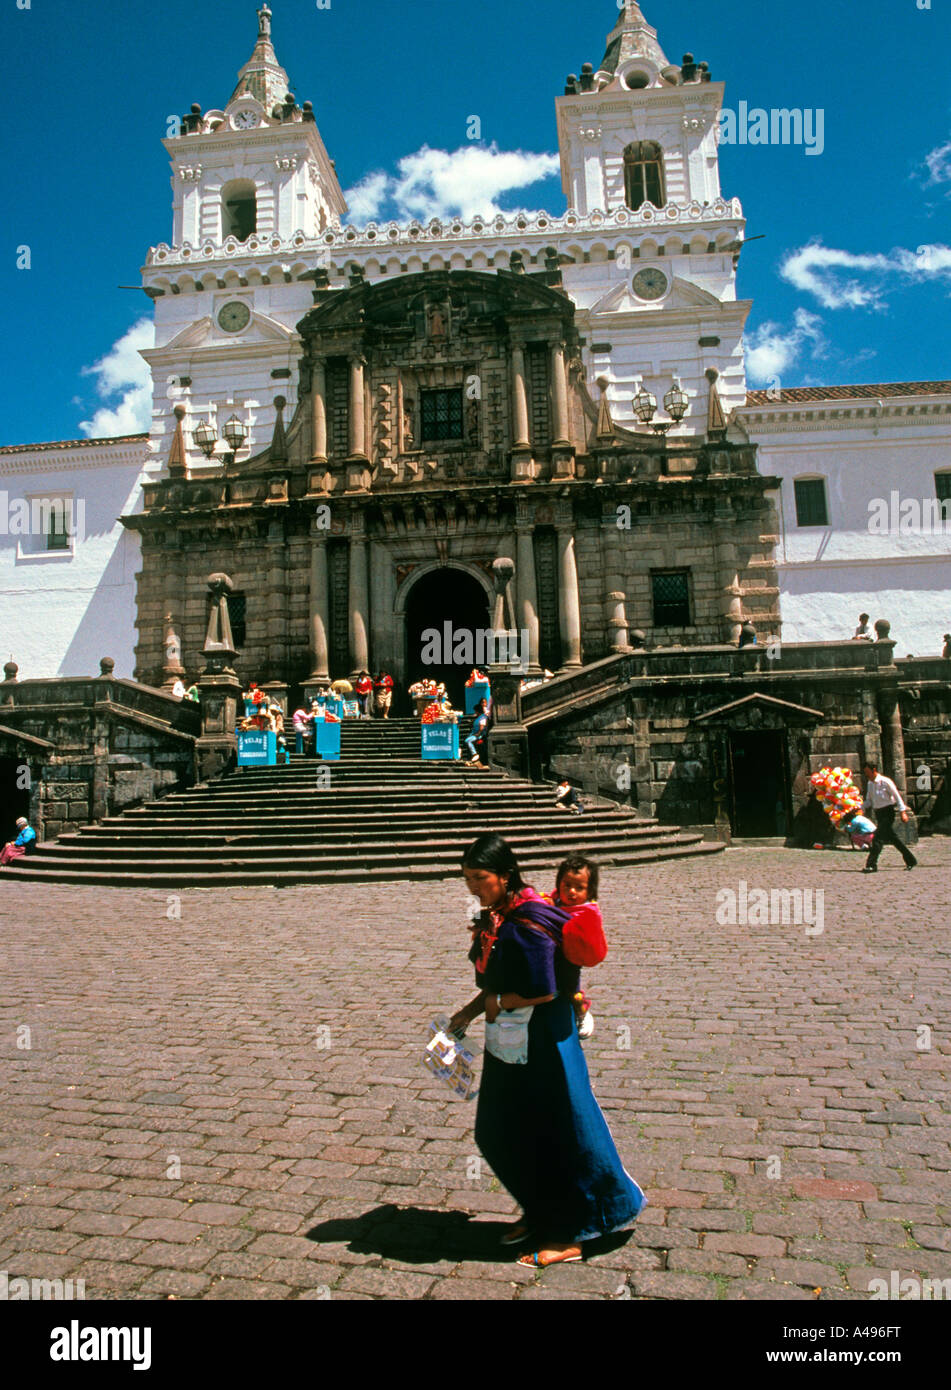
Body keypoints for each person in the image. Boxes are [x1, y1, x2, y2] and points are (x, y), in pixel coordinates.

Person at [449, 834, 646, 1267]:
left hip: (544, 1040)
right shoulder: (500, 914)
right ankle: (540, 1211)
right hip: (511, 1039)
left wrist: (494, 1006)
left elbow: (542, 989)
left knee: (559, 1129)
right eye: (466, 879)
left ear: (505, 875)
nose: (472, 887)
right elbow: (493, 981)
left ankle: (571, 1230)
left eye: (480, 878)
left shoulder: (529, 919)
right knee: (499, 1129)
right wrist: (469, 1012)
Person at [549, 855, 605, 1041]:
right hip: (553, 952)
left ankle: (581, 1011)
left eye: (579, 888)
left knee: (571, 988)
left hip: (570, 958)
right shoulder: (556, 900)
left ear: (590, 891)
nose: (572, 892)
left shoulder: (587, 912)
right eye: (567, 885)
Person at [861, 761, 917, 872]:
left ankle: (871, 864)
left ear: (874, 770)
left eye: (868, 772)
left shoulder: (885, 782)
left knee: (877, 838)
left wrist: (903, 812)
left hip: (888, 813)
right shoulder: (870, 784)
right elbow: (869, 801)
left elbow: (897, 797)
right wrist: (861, 807)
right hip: (879, 814)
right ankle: (911, 860)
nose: (866, 775)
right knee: (894, 839)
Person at [464, 698, 491, 765]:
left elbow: (481, 728)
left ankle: (475, 754)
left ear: (478, 711)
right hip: (474, 733)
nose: (475, 712)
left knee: (468, 740)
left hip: (479, 735)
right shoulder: (478, 717)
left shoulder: (483, 717)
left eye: (475, 711)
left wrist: (477, 734)